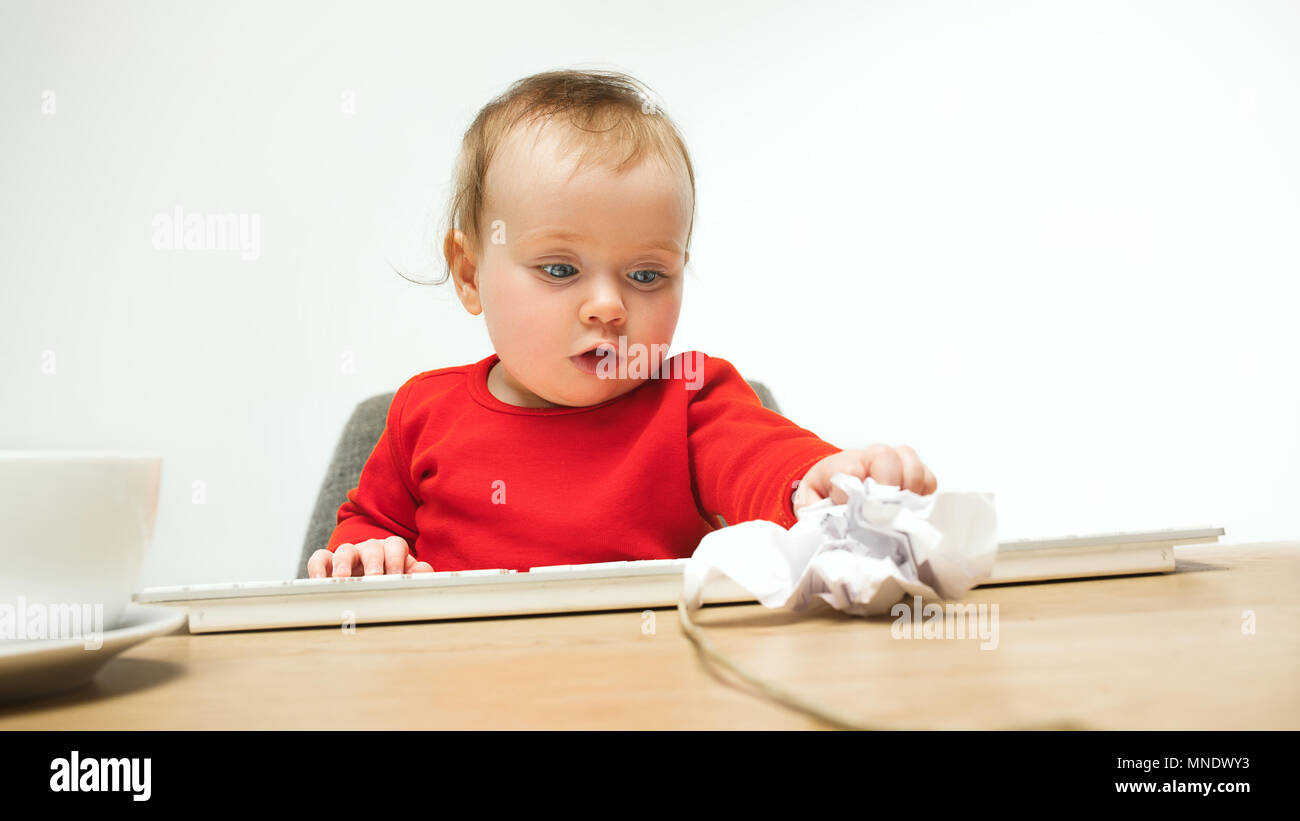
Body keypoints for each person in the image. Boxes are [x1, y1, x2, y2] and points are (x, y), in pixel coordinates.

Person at [307, 69, 937, 579]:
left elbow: (765, 461)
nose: (608, 307)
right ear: (470, 274)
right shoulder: (422, 413)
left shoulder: (692, 397)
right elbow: (368, 526)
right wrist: (365, 553)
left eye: (644, 276)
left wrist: (818, 482)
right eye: (559, 269)